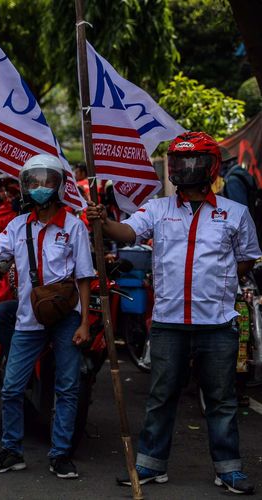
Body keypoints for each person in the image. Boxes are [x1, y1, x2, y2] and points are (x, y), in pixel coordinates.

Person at [87, 132, 261, 495]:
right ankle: (150, 466)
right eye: (180, 162)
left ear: (210, 167)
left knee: (221, 398)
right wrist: (102, 221)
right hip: (168, 323)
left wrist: (219, 285)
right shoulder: (158, 208)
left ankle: (228, 470)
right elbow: (127, 231)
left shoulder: (236, 213)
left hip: (217, 323)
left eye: (195, 161)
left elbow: (246, 259)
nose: (186, 168)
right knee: (161, 396)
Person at [0, 154, 94, 480]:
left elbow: (85, 278)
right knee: (11, 388)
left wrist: (85, 322)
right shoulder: (17, 226)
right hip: (28, 319)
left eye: (47, 181)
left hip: (67, 317)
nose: (41, 187)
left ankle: (61, 454)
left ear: (58, 186)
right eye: (34, 181)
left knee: (67, 387)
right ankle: (12, 450)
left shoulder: (74, 226)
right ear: (25, 187)